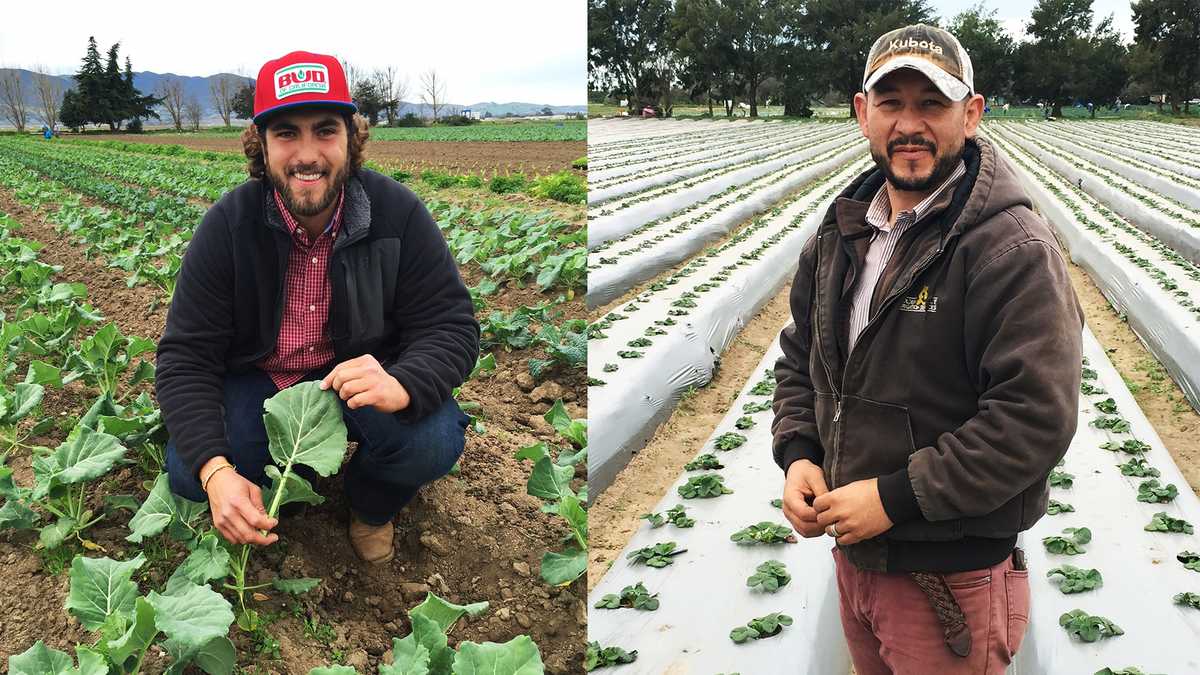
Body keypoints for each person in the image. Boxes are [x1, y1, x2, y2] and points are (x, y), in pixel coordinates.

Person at [770, 24, 1083, 674]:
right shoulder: (841, 231)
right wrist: (800, 452)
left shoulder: (1011, 250)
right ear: (862, 114)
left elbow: (1033, 417)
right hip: (856, 566)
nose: (909, 124)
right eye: (891, 103)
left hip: (948, 584)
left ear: (971, 114)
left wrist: (893, 497)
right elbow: (803, 357)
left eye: (931, 104)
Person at [157, 50, 479, 564]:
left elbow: (450, 325)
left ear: (351, 139)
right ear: (260, 145)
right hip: (263, 383)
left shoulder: (397, 213)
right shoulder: (228, 226)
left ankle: (370, 506)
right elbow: (185, 357)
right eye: (286, 133)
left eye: (325, 130)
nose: (307, 154)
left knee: (433, 439)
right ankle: (290, 484)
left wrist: (403, 383)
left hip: (357, 382)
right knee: (188, 472)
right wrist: (216, 472)